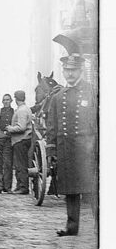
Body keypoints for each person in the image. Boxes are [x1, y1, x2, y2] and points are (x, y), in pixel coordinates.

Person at [46, 51, 97, 236]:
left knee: (92, 190)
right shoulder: (58, 97)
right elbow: (52, 126)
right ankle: (72, 227)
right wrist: (51, 151)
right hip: (65, 148)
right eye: (67, 70)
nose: (70, 74)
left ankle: (102, 227)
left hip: (87, 148)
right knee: (70, 189)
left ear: (81, 70)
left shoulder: (92, 92)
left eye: (74, 70)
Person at [5, 90, 33, 194]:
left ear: (16, 99)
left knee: (21, 165)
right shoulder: (25, 109)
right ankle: (19, 185)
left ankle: (23, 187)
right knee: (18, 164)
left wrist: (10, 128)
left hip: (20, 140)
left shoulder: (22, 110)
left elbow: (21, 127)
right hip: (22, 140)